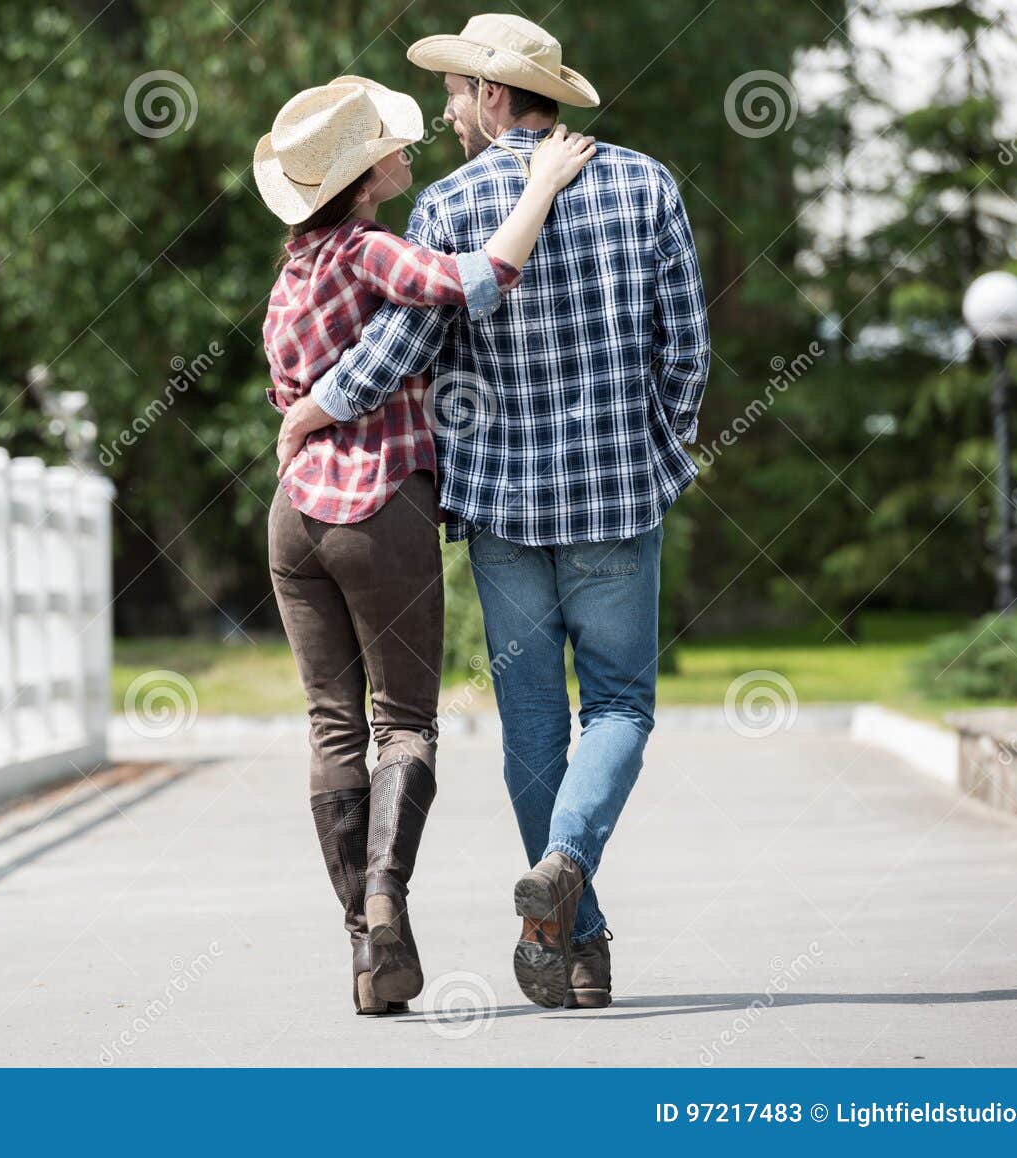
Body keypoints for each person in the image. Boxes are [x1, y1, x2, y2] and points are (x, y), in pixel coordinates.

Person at [277, 14, 710, 1010]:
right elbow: (684, 343)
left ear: (498, 97)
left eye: (457, 91)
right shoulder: (647, 184)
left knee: (530, 737)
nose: (445, 110)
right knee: (619, 709)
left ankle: (578, 938)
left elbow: (404, 346)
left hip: (504, 509)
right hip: (615, 498)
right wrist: (663, 439)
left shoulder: (448, 203)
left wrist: (319, 405)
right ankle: (566, 891)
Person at [256, 74, 594, 1015]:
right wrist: (539, 187)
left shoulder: (292, 271)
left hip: (293, 520)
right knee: (403, 723)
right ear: (366, 178)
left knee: (331, 725)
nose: (411, 150)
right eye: (390, 149)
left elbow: (292, 397)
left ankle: (369, 950)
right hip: (379, 509)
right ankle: (385, 901)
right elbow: (474, 282)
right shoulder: (370, 252)